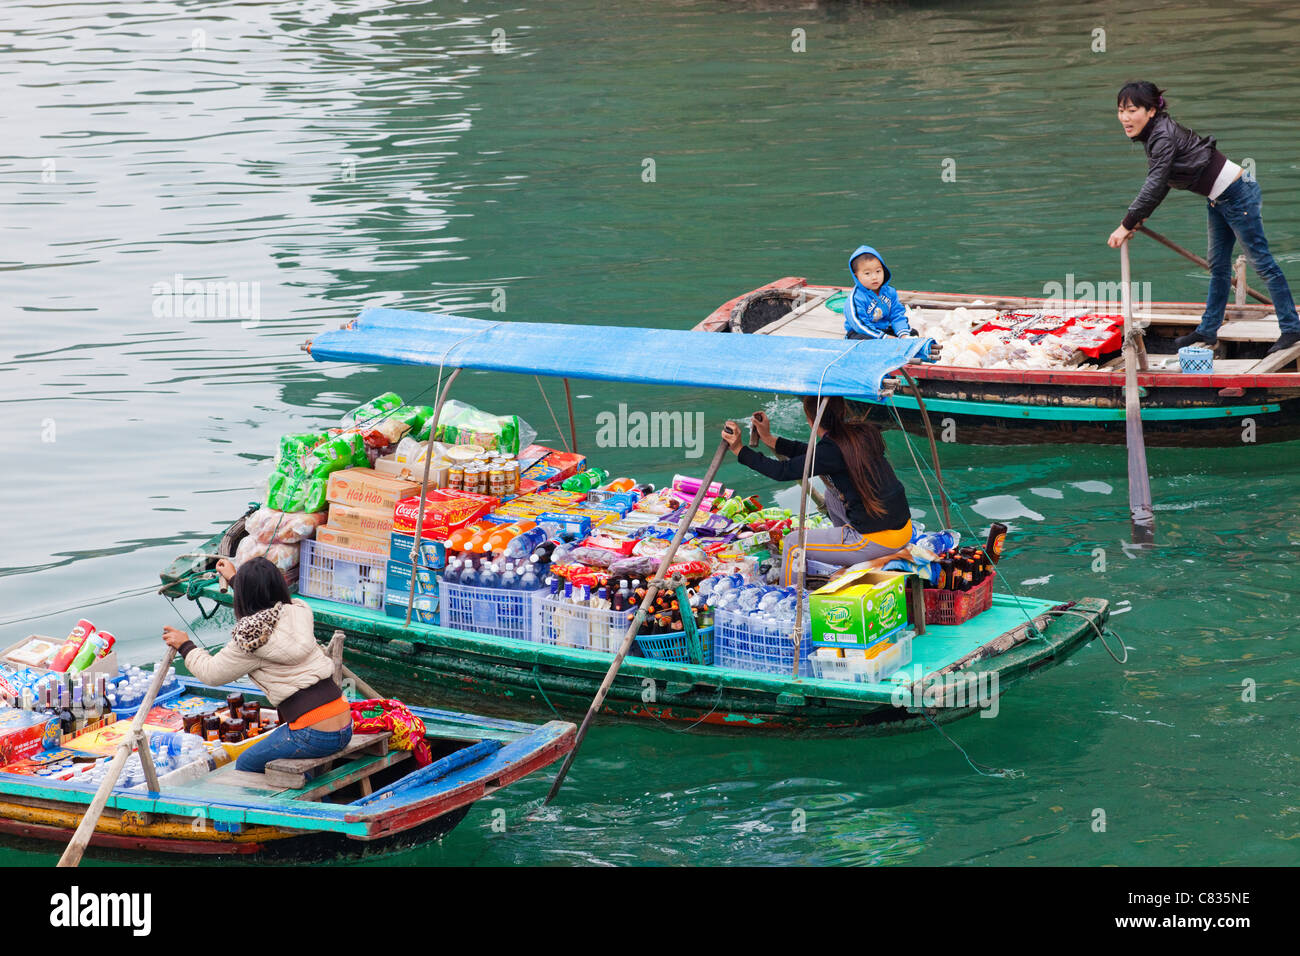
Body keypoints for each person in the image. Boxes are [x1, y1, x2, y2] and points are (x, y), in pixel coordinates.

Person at [1107, 81, 1300, 356]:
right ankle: (1208, 330)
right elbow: (1161, 184)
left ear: (1151, 111)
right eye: (1120, 111)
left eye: (1131, 110)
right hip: (1220, 198)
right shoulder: (1155, 134)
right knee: (1218, 267)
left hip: (1238, 195)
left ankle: (1291, 327)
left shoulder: (1162, 136)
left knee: (1263, 264)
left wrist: (1126, 224)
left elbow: (1154, 183)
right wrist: (1138, 218)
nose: (1124, 118)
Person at [161, 556, 352, 774]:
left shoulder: (249, 640)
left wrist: (185, 645)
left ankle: (307, 802)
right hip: (344, 724)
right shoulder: (299, 611)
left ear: (244, 596)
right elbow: (268, 608)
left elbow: (211, 673)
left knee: (246, 764)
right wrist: (236, 579)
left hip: (314, 734)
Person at [722, 398, 913, 585]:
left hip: (876, 540)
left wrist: (739, 450)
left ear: (811, 420)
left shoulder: (831, 450)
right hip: (903, 530)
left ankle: (790, 597)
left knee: (793, 543)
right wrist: (769, 439)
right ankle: (846, 552)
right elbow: (813, 454)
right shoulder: (864, 433)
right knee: (831, 494)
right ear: (842, 412)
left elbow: (781, 471)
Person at [841, 244, 920, 341]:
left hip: (884, 329)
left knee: (912, 333)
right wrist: (884, 337)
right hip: (863, 331)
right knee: (863, 340)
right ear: (856, 276)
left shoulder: (890, 292)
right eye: (867, 273)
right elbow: (859, 324)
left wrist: (903, 334)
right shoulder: (856, 298)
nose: (874, 277)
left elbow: (897, 315)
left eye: (878, 271)